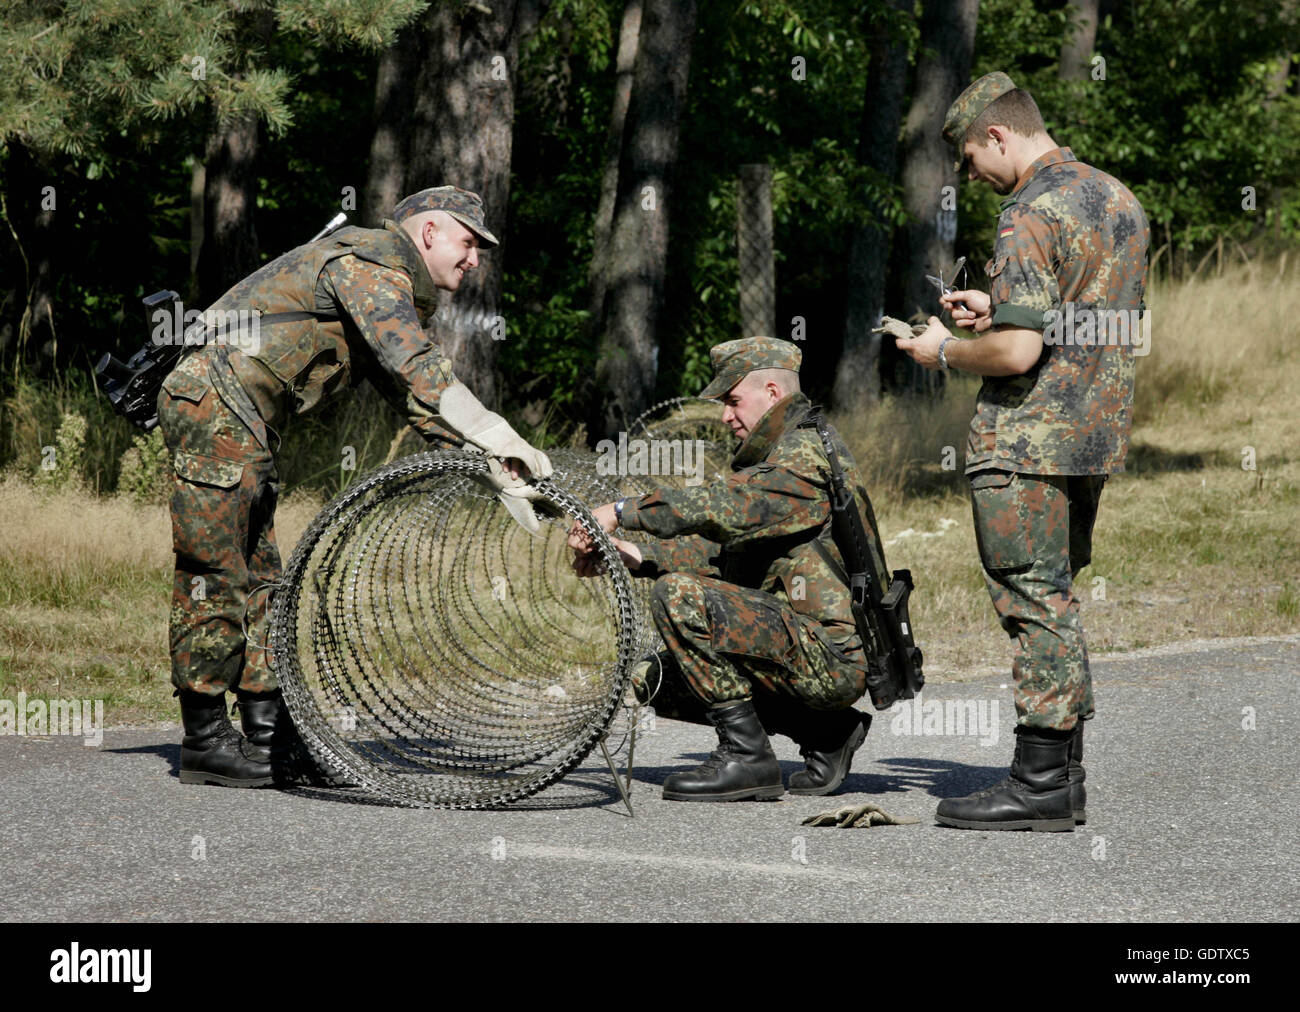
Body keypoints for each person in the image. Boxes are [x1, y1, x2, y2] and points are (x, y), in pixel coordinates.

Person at [158, 185, 552, 788]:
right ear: (429, 232)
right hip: (215, 403)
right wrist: (496, 434)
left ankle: (271, 736)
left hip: (245, 417)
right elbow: (414, 367)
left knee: (264, 575)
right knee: (214, 568)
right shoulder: (371, 262)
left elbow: (412, 399)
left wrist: (493, 465)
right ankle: (206, 739)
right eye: (467, 243)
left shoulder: (391, 283)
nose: (473, 260)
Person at [893, 72, 1150, 831]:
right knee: (1058, 597)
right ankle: (1062, 774)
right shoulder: (1117, 199)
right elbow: (1087, 318)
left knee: (1031, 601)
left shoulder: (1028, 211)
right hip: (1094, 434)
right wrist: (996, 309)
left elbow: (1014, 353)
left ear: (999, 134)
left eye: (971, 159)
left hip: (1028, 440)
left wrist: (946, 348)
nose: (970, 176)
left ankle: (1038, 781)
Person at [568, 337, 879, 802]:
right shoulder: (787, 453)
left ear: (772, 393)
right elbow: (728, 552)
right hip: (801, 644)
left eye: (733, 401)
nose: (727, 417)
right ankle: (827, 731)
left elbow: (725, 506)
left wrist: (619, 510)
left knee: (678, 596)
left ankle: (748, 759)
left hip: (830, 657)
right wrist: (634, 554)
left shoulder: (802, 457)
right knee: (653, 679)